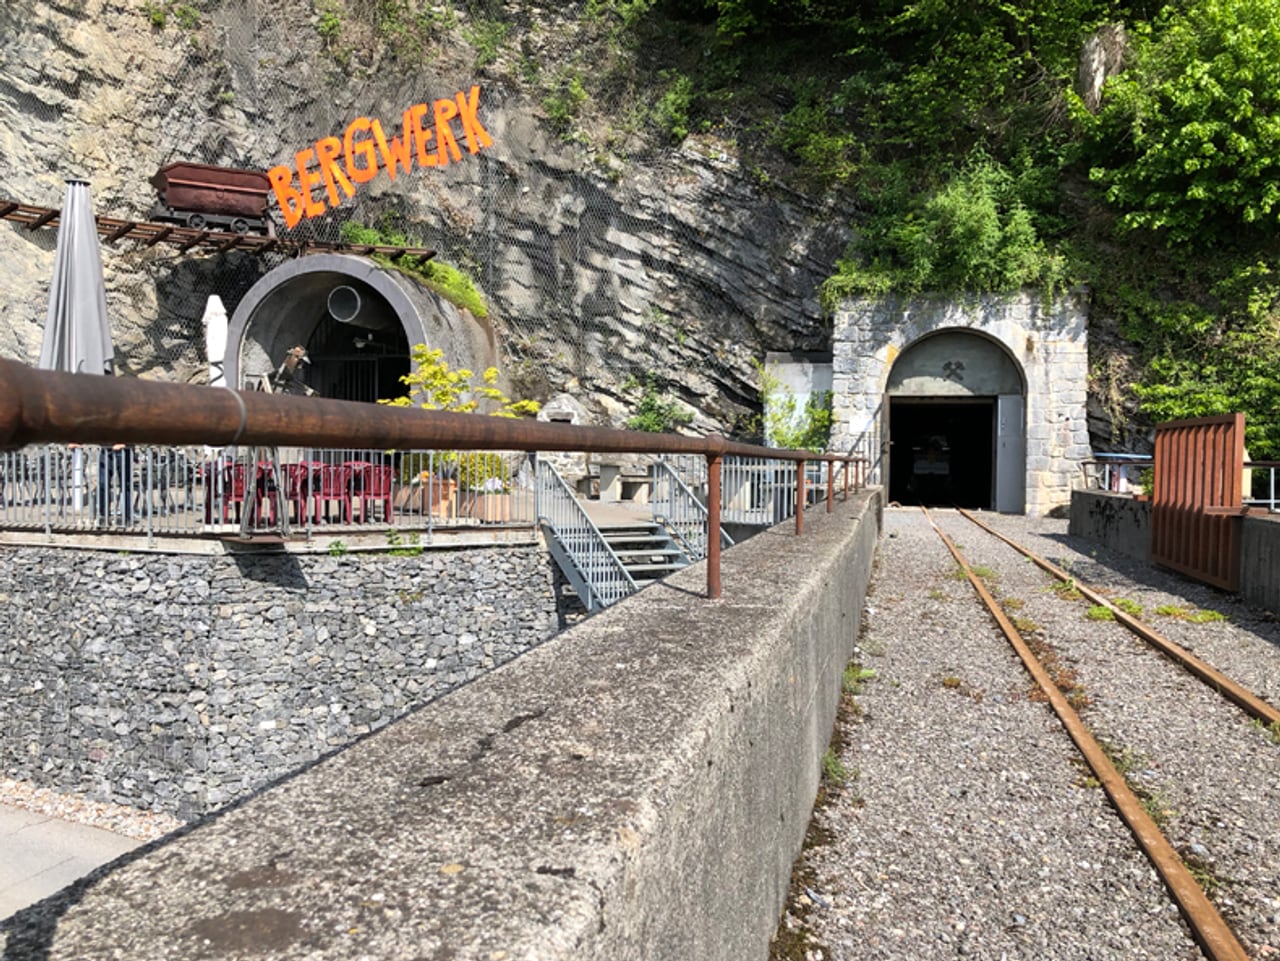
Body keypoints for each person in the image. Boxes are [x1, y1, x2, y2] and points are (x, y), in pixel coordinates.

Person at [97, 443, 134, 525]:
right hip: (106, 450)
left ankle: (127, 517)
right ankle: (104, 516)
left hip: (124, 451)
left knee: (126, 485)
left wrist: (125, 444)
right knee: (103, 483)